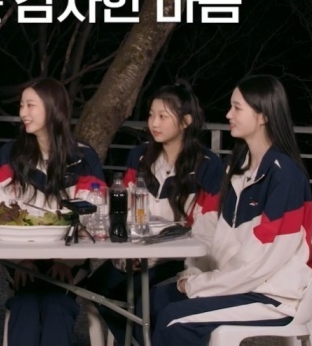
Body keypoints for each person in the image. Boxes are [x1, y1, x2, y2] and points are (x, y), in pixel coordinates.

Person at [144, 75, 312, 345]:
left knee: (174, 319)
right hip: (235, 281)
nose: (228, 115)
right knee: (151, 302)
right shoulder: (236, 167)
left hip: (269, 292)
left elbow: (259, 265)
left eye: (237, 108)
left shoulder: (285, 176)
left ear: (263, 116)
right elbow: (210, 231)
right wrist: (194, 273)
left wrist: (200, 285)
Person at [86, 82, 224, 344]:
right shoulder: (139, 156)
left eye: (163, 116)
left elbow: (208, 228)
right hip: (136, 253)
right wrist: (128, 253)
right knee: (96, 291)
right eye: (151, 115)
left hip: (179, 256)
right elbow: (126, 209)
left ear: (186, 121)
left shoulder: (207, 164)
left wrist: (191, 268)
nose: (154, 123)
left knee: (142, 301)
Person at [0, 77, 106, 346]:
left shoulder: (84, 157)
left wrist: (65, 261)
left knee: (57, 305)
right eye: (21, 105)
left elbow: (93, 213)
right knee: (26, 305)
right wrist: (22, 259)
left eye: (30, 105)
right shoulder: (11, 154)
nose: (22, 113)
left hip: (69, 258)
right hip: (21, 258)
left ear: (53, 108)